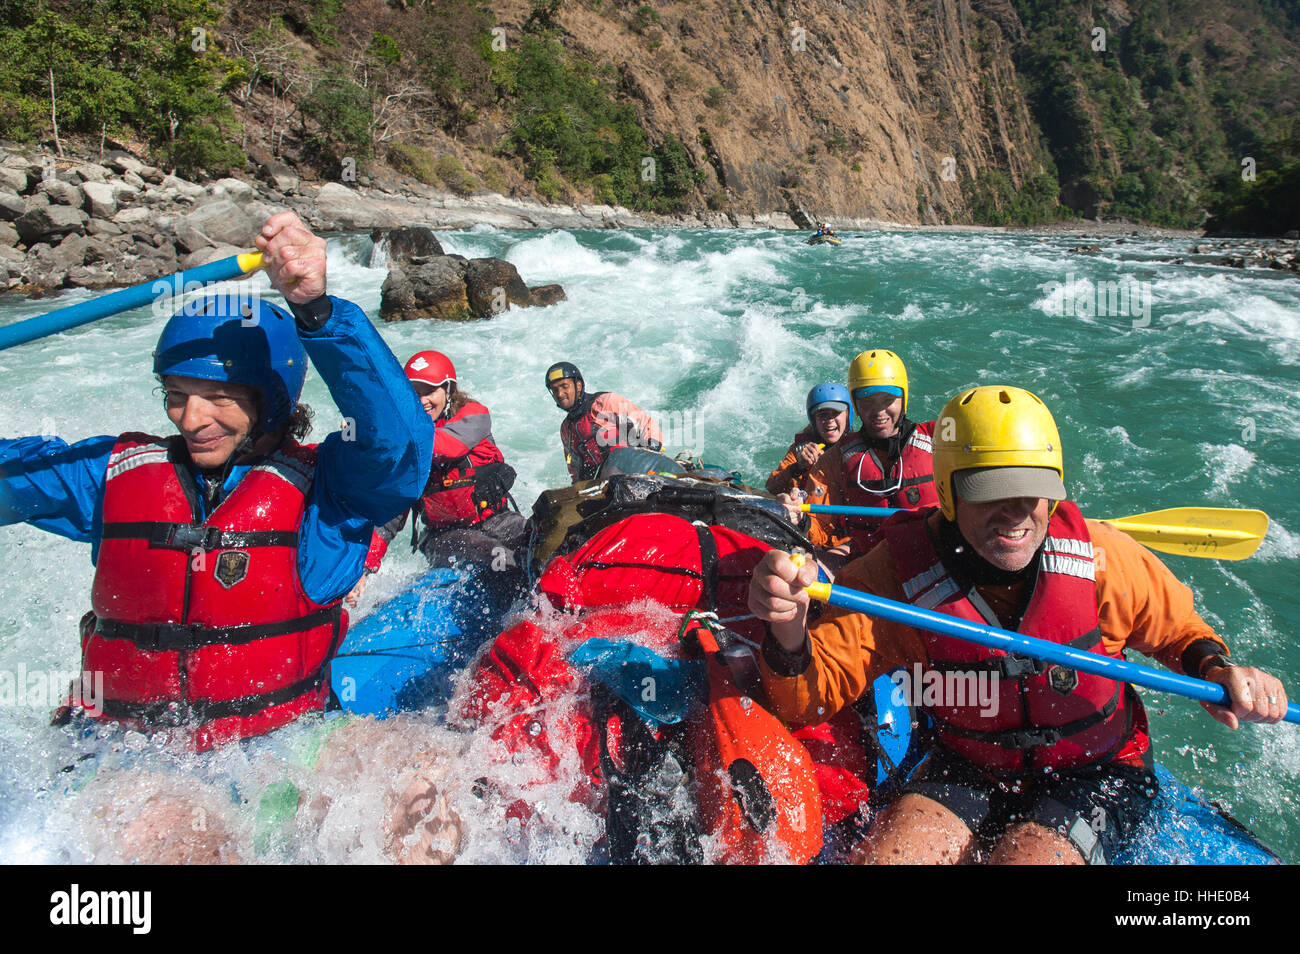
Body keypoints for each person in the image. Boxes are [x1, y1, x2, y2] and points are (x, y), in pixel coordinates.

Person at [749, 385, 1289, 865]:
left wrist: (1220, 669)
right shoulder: (893, 576)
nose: (1014, 513)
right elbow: (803, 700)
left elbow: (1179, 633)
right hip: (971, 760)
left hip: (1097, 771)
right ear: (950, 489)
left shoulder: (1101, 558)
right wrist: (789, 631)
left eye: (1029, 489)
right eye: (989, 491)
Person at [0, 211, 434, 751]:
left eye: (218, 398)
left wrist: (316, 313)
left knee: (422, 781)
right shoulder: (110, 477)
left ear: (273, 404)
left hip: (269, 752)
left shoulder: (328, 495)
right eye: (176, 396)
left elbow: (399, 442)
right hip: (119, 755)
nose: (190, 419)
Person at [357, 351, 523, 594]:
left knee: (536, 536)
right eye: (415, 393)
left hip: (497, 519)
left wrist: (385, 433)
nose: (422, 400)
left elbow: (447, 447)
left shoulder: (474, 416)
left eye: (429, 391)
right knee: (491, 552)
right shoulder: (405, 447)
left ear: (448, 389)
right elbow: (390, 515)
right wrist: (364, 568)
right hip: (444, 536)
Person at [823, 348, 938, 554]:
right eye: (867, 402)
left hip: (931, 555)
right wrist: (799, 514)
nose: (878, 412)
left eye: (887, 400)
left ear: (903, 398)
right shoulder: (838, 457)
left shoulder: (935, 438)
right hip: (870, 562)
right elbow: (817, 520)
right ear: (856, 405)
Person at [545, 361, 664, 483]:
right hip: (603, 485)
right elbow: (574, 468)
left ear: (578, 386)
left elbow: (645, 424)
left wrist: (650, 452)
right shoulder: (566, 429)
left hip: (633, 471)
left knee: (612, 469)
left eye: (565, 386)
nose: (559, 394)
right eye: (555, 390)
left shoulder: (606, 402)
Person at [766, 382, 852, 550]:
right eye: (822, 415)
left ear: (848, 415)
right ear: (813, 419)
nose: (829, 421)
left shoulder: (857, 451)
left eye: (835, 413)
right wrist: (798, 467)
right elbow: (772, 486)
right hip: (804, 524)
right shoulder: (801, 449)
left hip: (838, 539)